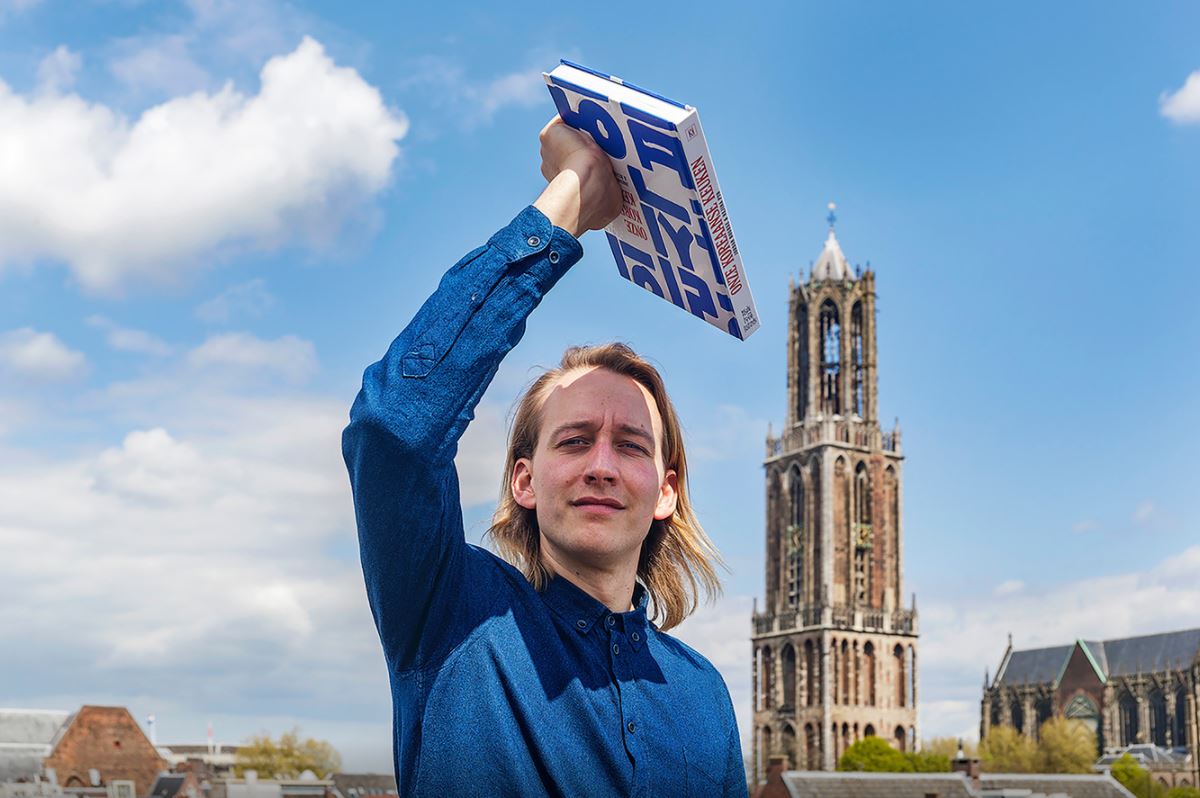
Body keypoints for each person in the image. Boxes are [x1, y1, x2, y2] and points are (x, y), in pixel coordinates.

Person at [342, 117, 746, 797]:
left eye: (631, 445)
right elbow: (394, 429)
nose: (602, 465)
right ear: (524, 480)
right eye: (575, 439)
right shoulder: (451, 614)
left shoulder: (703, 695)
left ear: (667, 490)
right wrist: (568, 201)